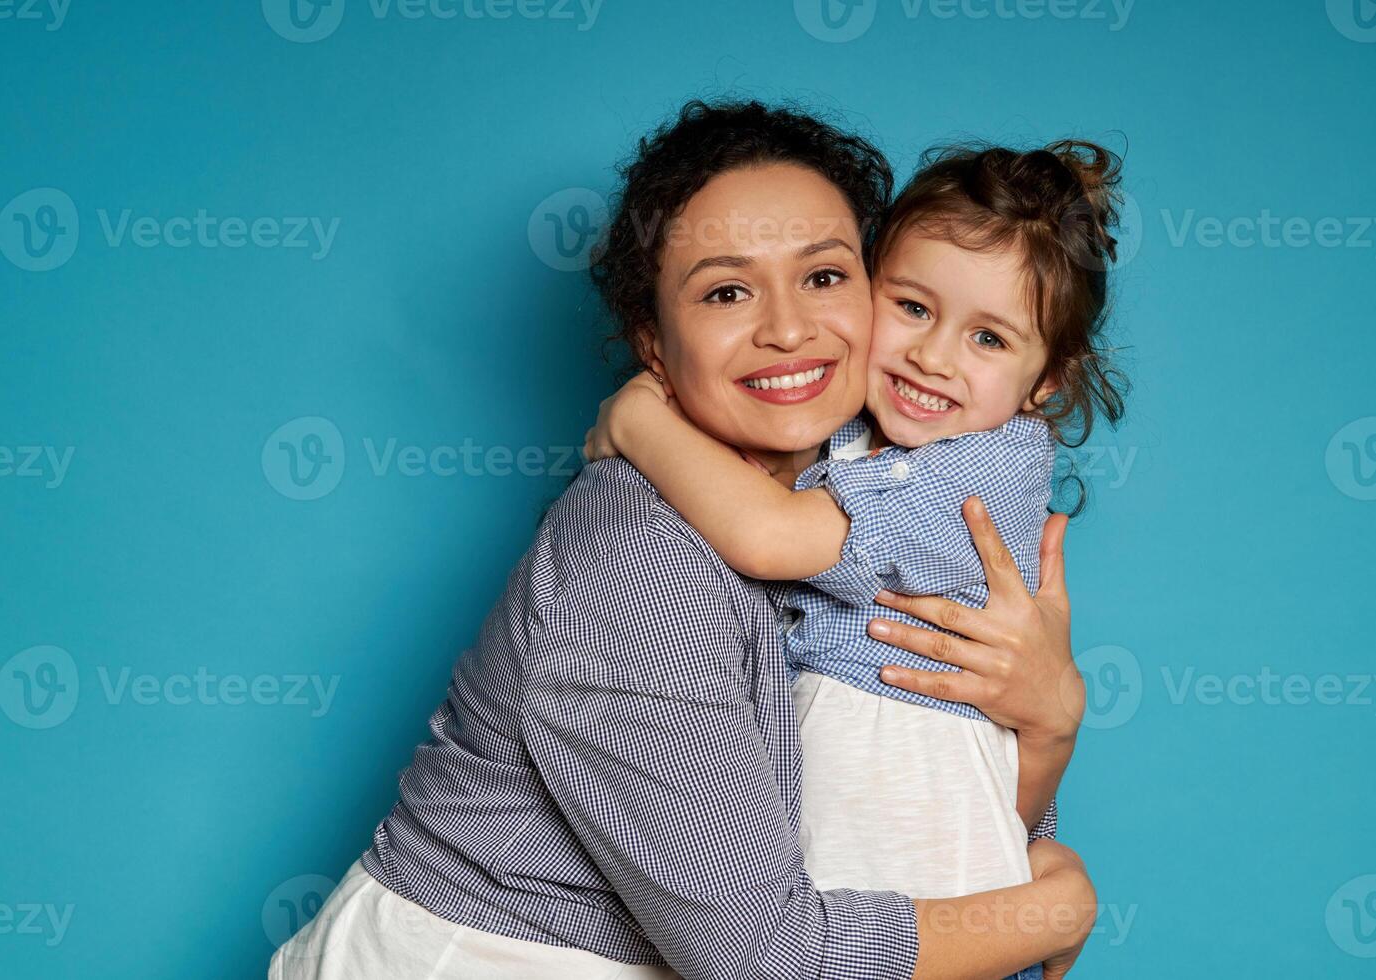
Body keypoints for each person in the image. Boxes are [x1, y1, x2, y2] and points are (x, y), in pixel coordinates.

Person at [270, 100, 1094, 980]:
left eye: (822, 276)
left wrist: (1049, 723)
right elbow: (766, 960)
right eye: (726, 291)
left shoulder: (864, 491)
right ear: (652, 343)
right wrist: (1052, 913)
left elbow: (937, 795)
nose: (787, 328)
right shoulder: (641, 560)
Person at [586, 137, 1128, 980]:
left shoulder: (980, 468)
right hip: (859, 760)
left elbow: (769, 538)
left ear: (1044, 382)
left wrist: (637, 421)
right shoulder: (862, 436)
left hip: (899, 767)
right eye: (911, 307)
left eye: (988, 339)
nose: (932, 357)